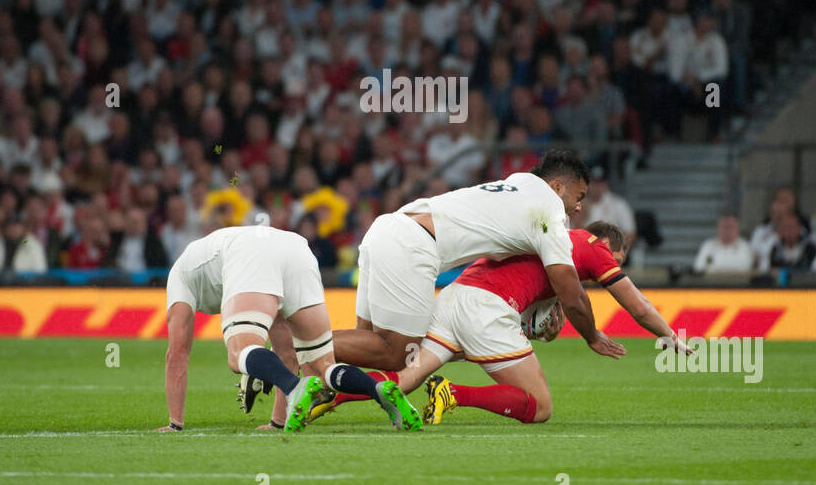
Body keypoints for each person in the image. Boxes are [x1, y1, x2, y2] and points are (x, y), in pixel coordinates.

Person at [314, 222, 687, 425]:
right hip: (486, 310)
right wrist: (669, 334)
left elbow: (527, 310)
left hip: (456, 296)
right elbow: (636, 305)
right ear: (604, 241)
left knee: (405, 379)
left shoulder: (548, 247)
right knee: (540, 407)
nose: (608, 267)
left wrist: (537, 330)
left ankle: (326, 396)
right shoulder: (588, 243)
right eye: (614, 258)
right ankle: (453, 393)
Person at [332, 150, 626, 371]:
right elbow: (572, 295)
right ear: (558, 187)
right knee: (396, 353)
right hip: (412, 244)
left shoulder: (518, 185)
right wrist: (591, 336)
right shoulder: (549, 210)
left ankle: (296, 395)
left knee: (364, 341)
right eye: (579, 196)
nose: (578, 207)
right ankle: (298, 343)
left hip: (388, 228)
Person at [161, 224, 421, 433]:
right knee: (319, 366)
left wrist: (175, 422)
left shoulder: (179, 275)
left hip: (249, 252)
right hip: (295, 248)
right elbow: (286, 353)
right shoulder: (208, 258)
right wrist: (277, 422)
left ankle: (295, 388)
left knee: (239, 353)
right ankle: (378, 390)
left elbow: (178, 353)